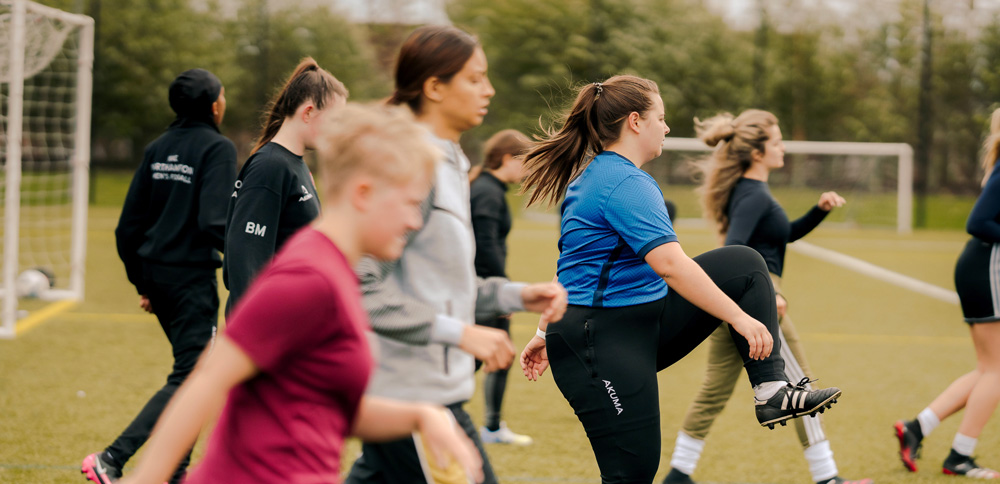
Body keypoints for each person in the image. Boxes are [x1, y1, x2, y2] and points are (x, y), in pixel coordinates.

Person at [116, 103, 485, 484]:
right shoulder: (309, 277)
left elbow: (325, 409)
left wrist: (421, 416)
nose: (416, 221)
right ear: (364, 193)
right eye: (410, 203)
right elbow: (207, 382)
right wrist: (145, 479)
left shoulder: (339, 272)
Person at [518, 76, 842, 484]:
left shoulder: (608, 176)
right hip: (597, 341)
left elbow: (569, 265)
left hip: (635, 325)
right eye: (661, 118)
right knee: (632, 473)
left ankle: (771, 390)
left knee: (744, 266)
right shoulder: (622, 183)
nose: (667, 127)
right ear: (635, 122)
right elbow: (671, 265)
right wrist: (739, 318)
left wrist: (543, 333)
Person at [344, 26, 567, 484]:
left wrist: (516, 295)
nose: (489, 90)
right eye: (475, 78)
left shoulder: (450, 163)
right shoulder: (409, 164)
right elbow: (358, 287)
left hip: (430, 392)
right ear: (435, 87)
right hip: (409, 395)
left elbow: (440, 284)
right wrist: (459, 333)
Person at [664, 109, 870, 484]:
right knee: (802, 388)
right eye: (777, 142)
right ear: (757, 152)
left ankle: (678, 473)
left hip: (733, 303)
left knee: (713, 392)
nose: (783, 148)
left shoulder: (750, 191)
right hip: (757, 303)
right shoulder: (753, 194)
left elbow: (782, 235)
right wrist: (769, 293)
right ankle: (827, 478)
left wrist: (818, 211)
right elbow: (735, 248)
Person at [82, 68, 236, 484]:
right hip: (190, 282)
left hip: (158, 279)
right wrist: (251, 257)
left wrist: (144, 284)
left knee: (191, 372)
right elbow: (214, 222)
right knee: (193, 377)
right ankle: (111, 459)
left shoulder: (158, 147)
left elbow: (127, 229)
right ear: (214, 106)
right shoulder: (218, 148)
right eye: (222, 96)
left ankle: (175, 473)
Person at [894, 107, 1000, 479]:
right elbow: (978, 221)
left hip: (983, 268)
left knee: (989, 368)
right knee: (997, 369)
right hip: (986, 268)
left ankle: (917, 427)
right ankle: (959, 456)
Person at [223, 57, 347, 310]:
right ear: (308, 112)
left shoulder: (295, 165)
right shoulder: (270, 166)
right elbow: (245, 256)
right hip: (267, 319)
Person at [470, 129, 534, 445]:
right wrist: (502, 293)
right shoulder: (487, 192)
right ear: (507, 158)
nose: (528, 170)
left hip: (481, 285)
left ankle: (492, 427)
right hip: (481, 287)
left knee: (490, 353)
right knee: (480, 355)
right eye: (525, 162)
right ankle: (489, 427)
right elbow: (484, 246)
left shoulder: (487, 187)